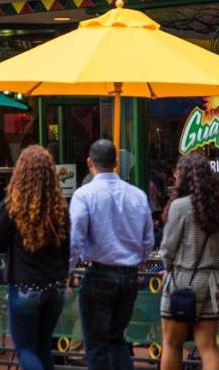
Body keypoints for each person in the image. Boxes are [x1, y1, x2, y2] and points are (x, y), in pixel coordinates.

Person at [69, 139, 153, 370]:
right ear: (116, 162)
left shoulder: (84, 195)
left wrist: (66, 270)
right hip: (128, 275)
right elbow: (148, 241)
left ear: (89, 162)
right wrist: (137, 262)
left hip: (98, 273)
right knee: (117, 341)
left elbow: (75, 239)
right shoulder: (137, 195)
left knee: (96, 346)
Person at [0, 146, 69, 370]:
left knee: (25, 348)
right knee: (43, 346)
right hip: (55, 285)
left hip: (24, 284)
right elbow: (67, 249)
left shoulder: (12, 206)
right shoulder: (59, 207)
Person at [159, 152, 219, 370]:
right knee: (209, 347)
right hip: (213, 282)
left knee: (171, 344)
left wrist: (167, 267)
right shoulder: (217, 208)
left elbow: (168, 247)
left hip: (181, 281)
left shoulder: (180, 206)